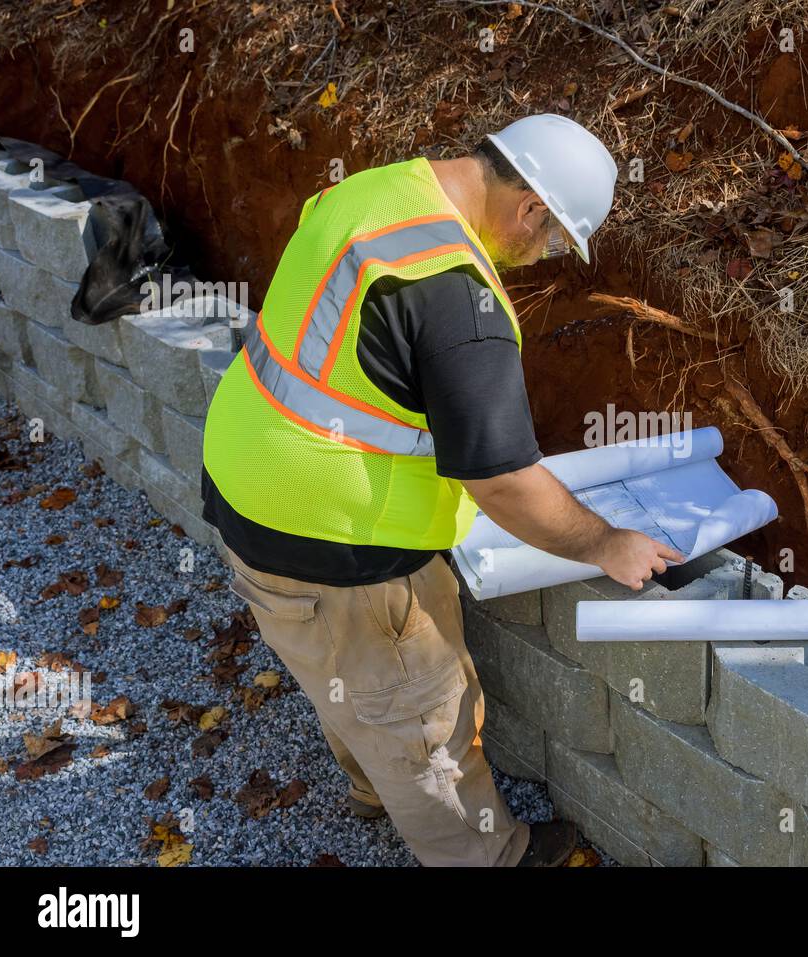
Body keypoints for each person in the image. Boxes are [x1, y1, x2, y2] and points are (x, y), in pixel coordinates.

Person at [200, 114, 683, 867]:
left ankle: (373, 785)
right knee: (423, 712)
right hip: (335, 545)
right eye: (554, 239)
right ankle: (486, 855)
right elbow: (503, 480)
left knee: (338, 667)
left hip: (250, 490)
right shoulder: (460, 303)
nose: (544, 257)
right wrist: (602, 541)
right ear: (530, 207)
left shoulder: (378, 190)